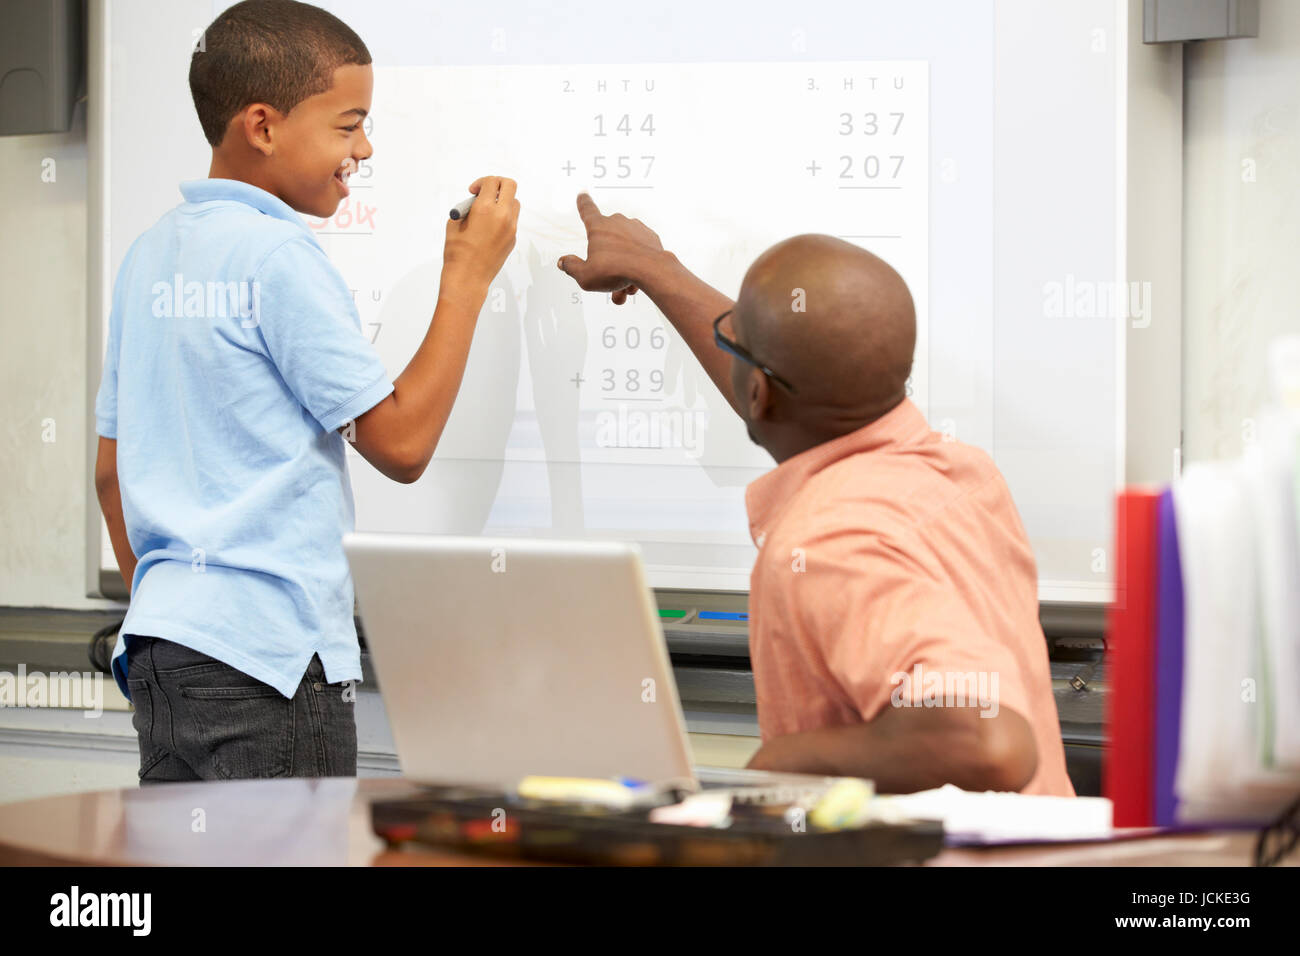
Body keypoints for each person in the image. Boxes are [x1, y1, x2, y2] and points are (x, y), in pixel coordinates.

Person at [93, 0, 518, 782]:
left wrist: (181, 614)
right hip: (273, 664)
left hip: (164, 653)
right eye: (348, 124)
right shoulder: (278, 255)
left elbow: (110, 475)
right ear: (262, 125)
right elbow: (402, 444)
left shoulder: (149, 256)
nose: (364, 146)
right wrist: (466, 279)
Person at [558, 195, 1074, 795]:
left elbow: (987, 742)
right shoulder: (960, 472)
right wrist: (659, 270)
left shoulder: (831, 540)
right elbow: (798, 368)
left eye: (734, 342)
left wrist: (789, 759)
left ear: (759, 395)